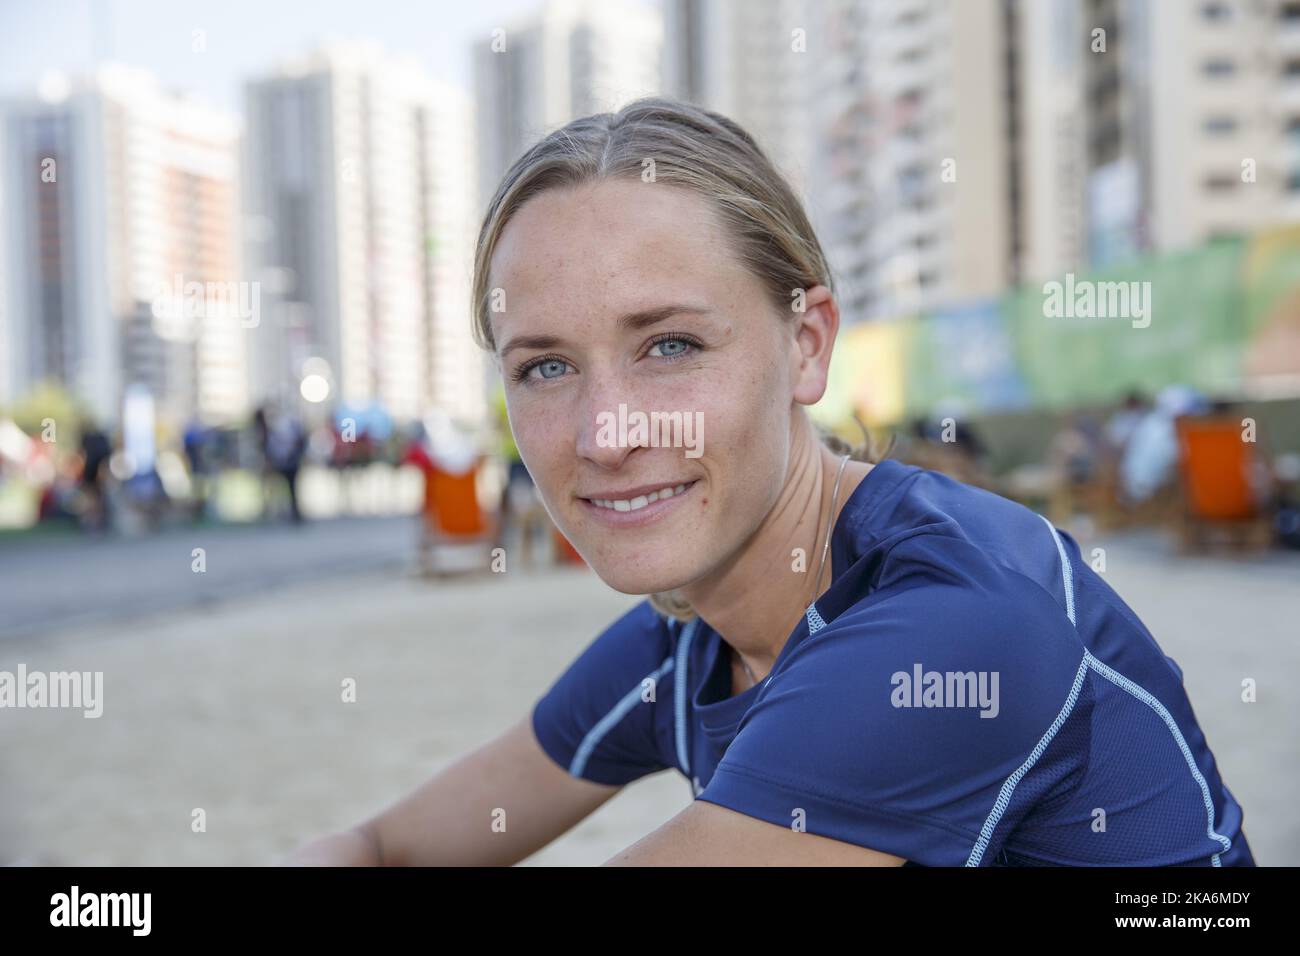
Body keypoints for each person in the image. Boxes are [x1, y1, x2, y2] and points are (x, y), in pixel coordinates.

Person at [283, 98, 1254, 867]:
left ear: (805, 344)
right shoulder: (686, 641)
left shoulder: (958, 627)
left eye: (669, 344)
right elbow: (380, 844)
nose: (607, 432)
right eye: (545, 365)